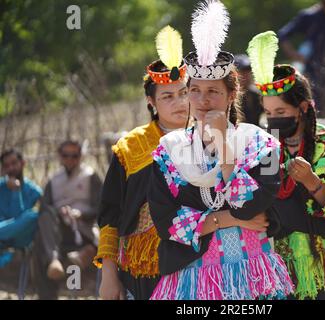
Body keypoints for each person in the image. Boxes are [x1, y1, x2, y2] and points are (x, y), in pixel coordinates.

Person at [147, 1, 293, 300]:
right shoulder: (168, 152)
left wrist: (224, 148)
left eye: (213, 91)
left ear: (231, 95)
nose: (202, 101)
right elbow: (166, 222)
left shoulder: (261, 144)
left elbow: (254, 205)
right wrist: (231, 219)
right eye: (194, 91)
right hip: (193, 280)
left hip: (254, 277)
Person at [248, 31, 325, 300]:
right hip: (281, 262)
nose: (273, 120)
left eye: (281, 113)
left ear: (301, 108)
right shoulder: (265, 149)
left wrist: (314, 184)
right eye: (269, 114)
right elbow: (265, 200)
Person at [93, 26, 190, 300]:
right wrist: (109, 276)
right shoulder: (131, 147)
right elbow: (110, 214)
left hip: (201, 264)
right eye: (167, 97)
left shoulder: (209, 138)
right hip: (144, 270)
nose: (179, 102)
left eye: (183, 93)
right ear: (151, 102)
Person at [32, 140, 102, 299]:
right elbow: (45, 208)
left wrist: (80, 214)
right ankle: (53, 263)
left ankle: (70, 289)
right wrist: (59, 213)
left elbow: (101, 208)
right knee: (44, 221)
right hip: (57, 233)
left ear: (80, 156)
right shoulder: (53, 180)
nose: (70, 159)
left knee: (71, 260)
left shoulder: (90, 176)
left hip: (82, 231)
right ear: (60, 156)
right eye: (66, 155)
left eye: (74, 155)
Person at [278, 0, 325, 118]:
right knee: (315, 106)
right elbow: (283, 34)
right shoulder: (309, 16)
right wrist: (294, 55)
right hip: (313, 70)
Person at [0, 149, 42, 267]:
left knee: (33, 216)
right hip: (2, 236)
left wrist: (16, 191)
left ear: (22, 163)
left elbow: (18, 217)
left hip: (20, 238)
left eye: (14, 163)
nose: (11, 168)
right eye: (7, 165)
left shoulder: (33, 190)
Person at [234, 54, 265, 127]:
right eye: (242, 71)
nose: (246, 75)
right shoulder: (228, 97)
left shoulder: (257, 95)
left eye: (248, 71)